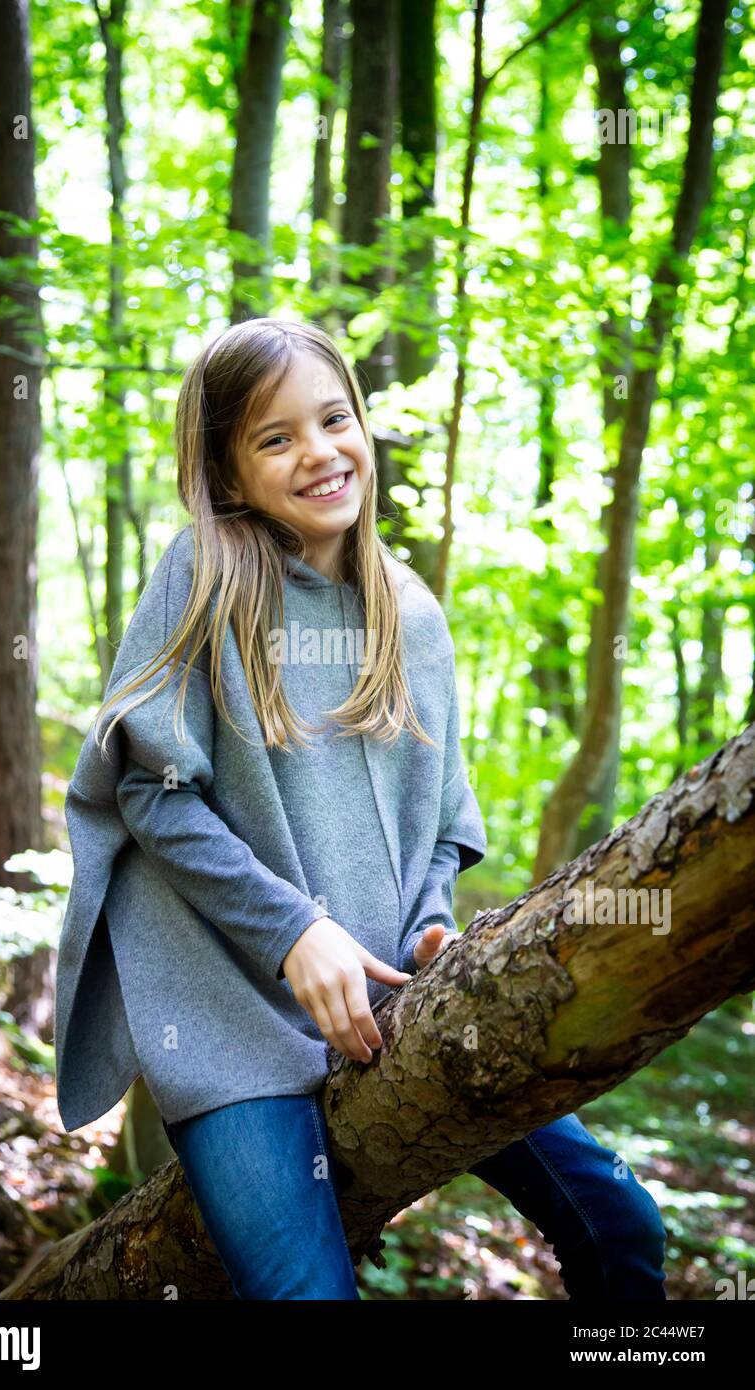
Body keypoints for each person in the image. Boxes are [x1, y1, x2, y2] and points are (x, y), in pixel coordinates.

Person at [54, 317, 667, 1301]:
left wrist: (428, 920)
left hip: (390, 1004)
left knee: (620, 1222)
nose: (318, 452)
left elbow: (436, 822)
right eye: (274, 437)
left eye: (333, 418)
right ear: (225, 468)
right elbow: (147, 790)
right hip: (233, 1026)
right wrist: (292, 930)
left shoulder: (407, 612)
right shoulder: (203, 573)